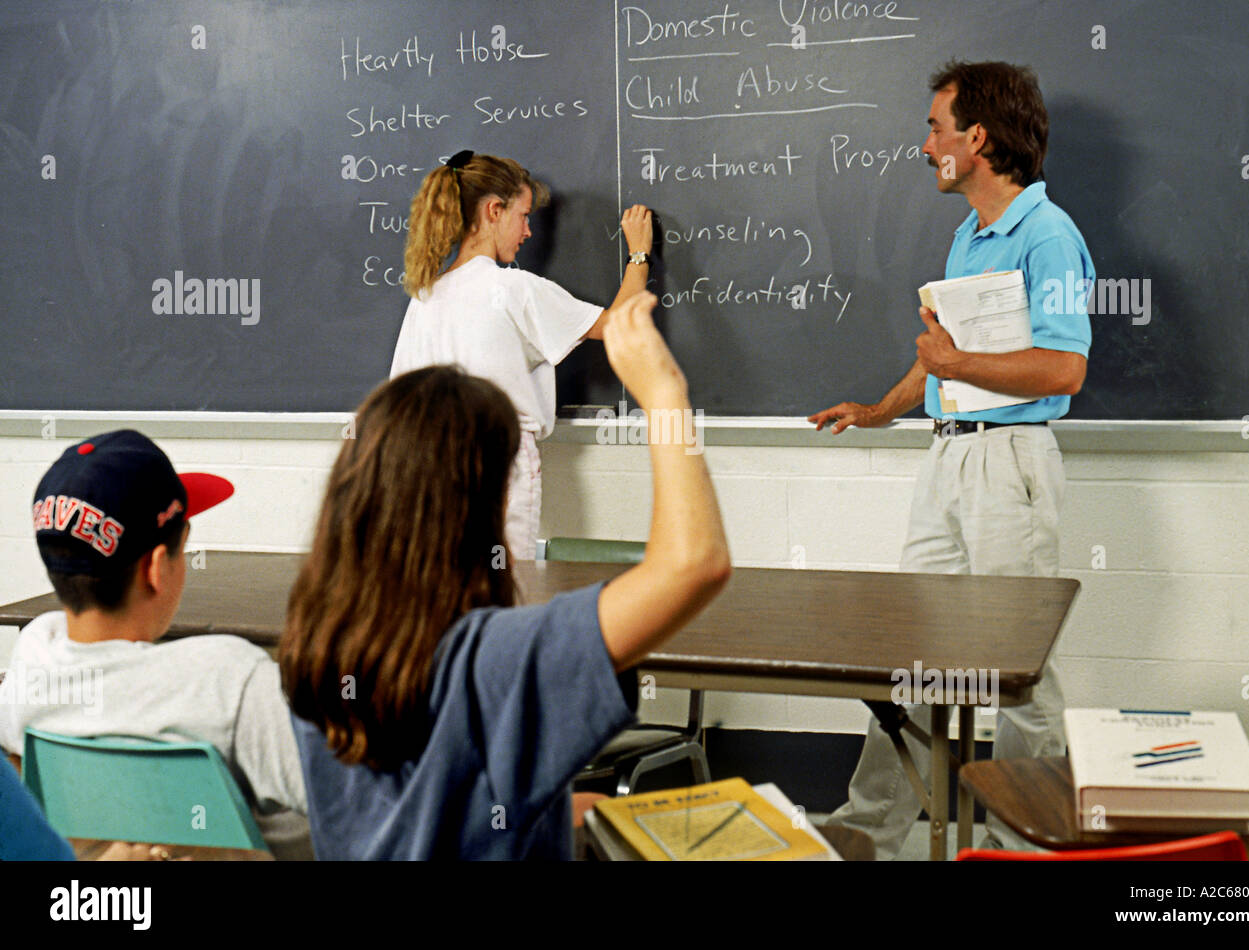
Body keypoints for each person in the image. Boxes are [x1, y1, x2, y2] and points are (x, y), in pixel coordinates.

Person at [282, 291, 730, 860]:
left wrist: (551, 816)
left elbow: (429, 813)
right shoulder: (498, 659)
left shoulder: (317, 653)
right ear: (474, 512)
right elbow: (695, 563)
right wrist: (665, 395)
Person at [808, 61, 1094, 859]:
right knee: (917, 654)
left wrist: (956, 366)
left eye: (936, 126)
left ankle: (1026, 840)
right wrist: (878, 411)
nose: (923, 141)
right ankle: (870, 825)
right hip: (948, 458)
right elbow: (942, 361)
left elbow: (1064, 370)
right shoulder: (968, 235)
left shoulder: (1050, 236)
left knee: (1014, 666)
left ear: (978, 137)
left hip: (1012, 461)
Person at [0, 430, 312, 860]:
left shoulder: (32, 657)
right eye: (182, 549)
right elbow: (348, 806)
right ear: (157, 569)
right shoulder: (233, 679)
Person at [390, 149, 654, 561]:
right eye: (523, 215)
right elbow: (621, 324)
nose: (528, 232)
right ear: (494, 210)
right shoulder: (514, 289)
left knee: (447, 589)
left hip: (428, 470)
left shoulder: (425, 296)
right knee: (506, 587)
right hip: (497, 464)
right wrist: (639, 255)